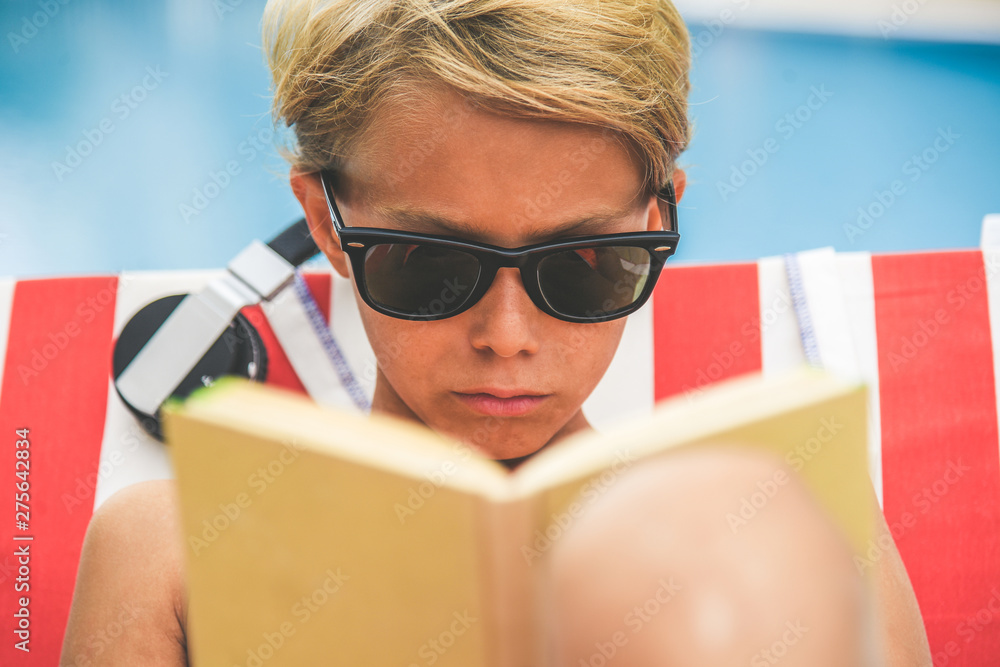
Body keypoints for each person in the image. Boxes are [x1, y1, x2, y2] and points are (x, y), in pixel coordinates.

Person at [61, 0, 931, 665]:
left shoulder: (809, 525)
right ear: (325, 224)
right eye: (429, 264)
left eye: (586, 263)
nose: (507, 336)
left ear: (663, 221)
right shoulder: (170, 556)